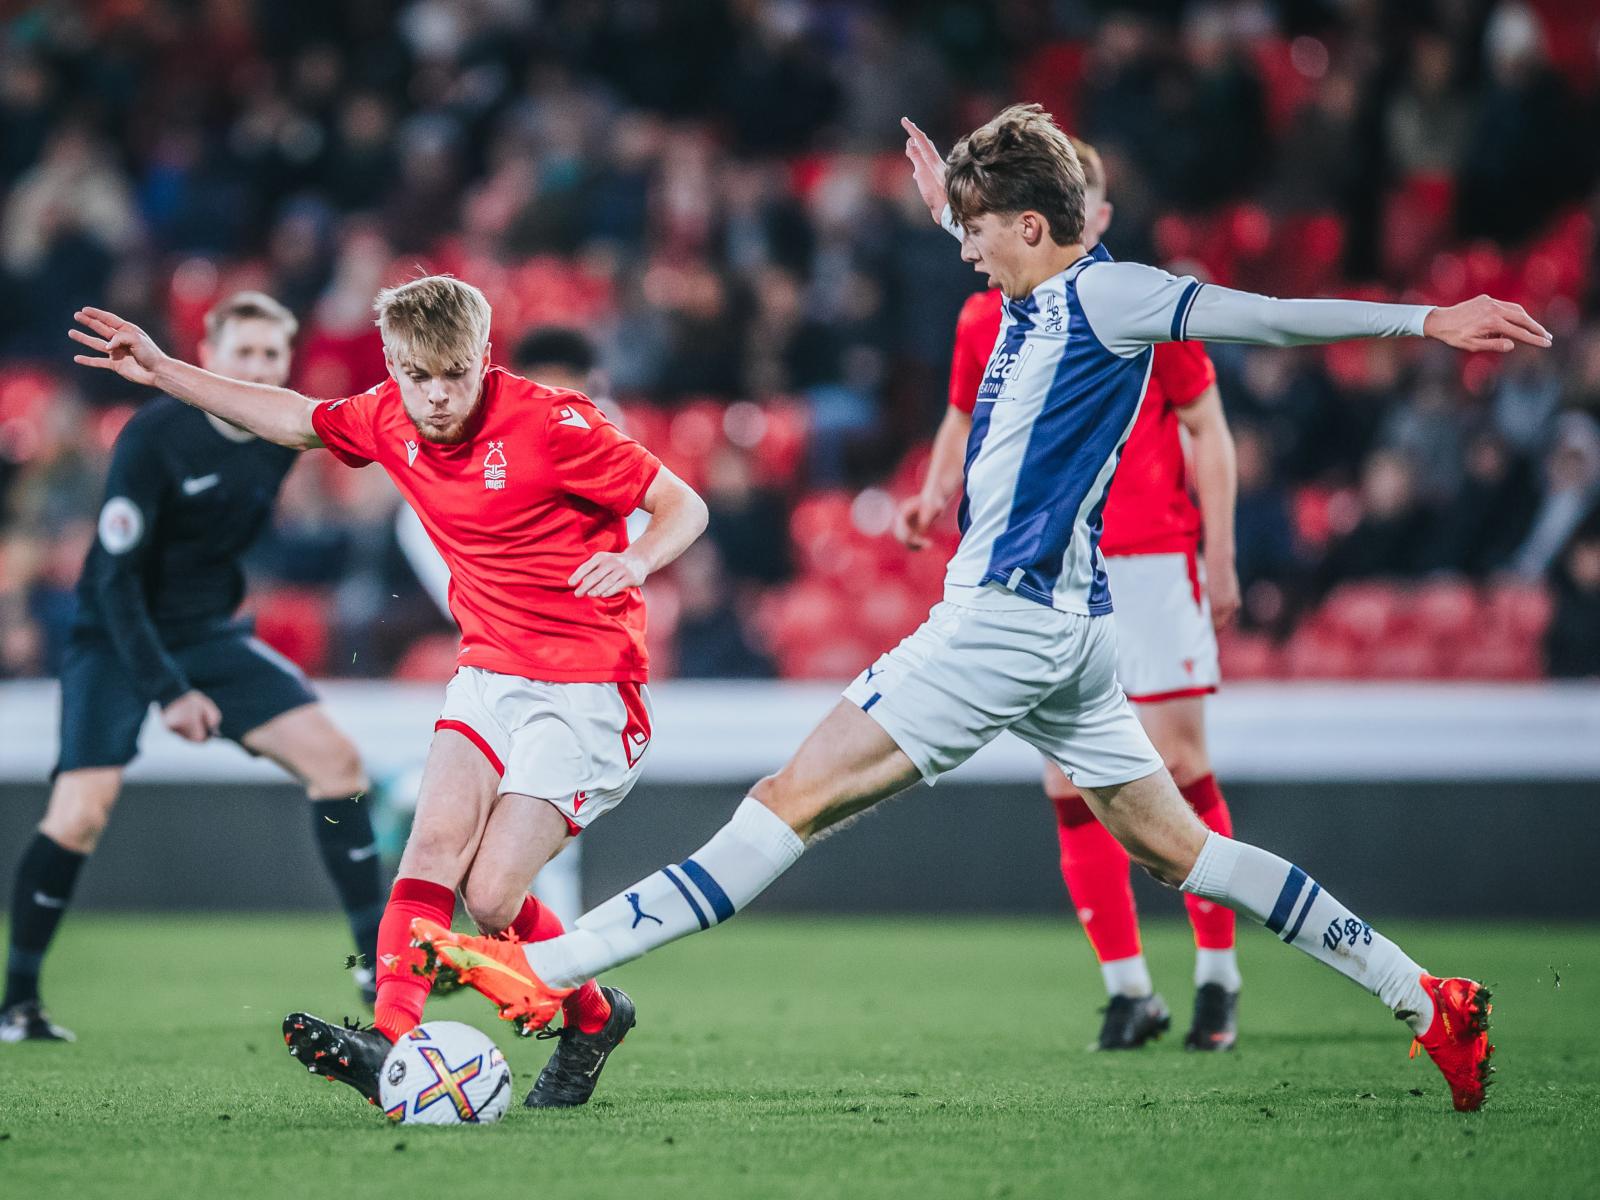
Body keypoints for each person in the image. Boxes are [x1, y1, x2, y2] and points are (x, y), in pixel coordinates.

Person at [409, 107, 1549, 1113]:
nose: (963, 248)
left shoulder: (1109, 293)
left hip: (1004, 623)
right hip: (1069, 634)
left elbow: (1266, 313)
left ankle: (548, 973)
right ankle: (1429, 999)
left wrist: (1424, 321)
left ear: (1034, 228)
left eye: (976, 229)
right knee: (1187, 853)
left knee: (783, 804)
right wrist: (941, 198)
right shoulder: (1032, 289)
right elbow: (998, 247)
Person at [68, 275, 708, 1109]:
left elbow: (680, 504)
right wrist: (161, 369)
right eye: (417, 377)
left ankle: (591, 1017)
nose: (435, 396)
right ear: (394, 368)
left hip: (587, 690)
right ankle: (393, 1037)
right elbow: (292, 416)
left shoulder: (555, 423)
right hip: (488, 676)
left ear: (483, 358)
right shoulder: (386, 416)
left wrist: (636, 558)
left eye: (453, 374)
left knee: (490, 899)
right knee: (431, 848)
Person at [894, 137, 1245, 1051]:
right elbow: (965, 418)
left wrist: (1222, 555)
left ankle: (1217, 974)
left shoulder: (1137, 306)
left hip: (1154, 554)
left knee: (1176, 764)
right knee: (1070, 779)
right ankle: (1130, 988)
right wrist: (937, 490)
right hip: (1051, 573)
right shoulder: (990, 317)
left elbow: (1207, 430)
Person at [3, 293, 384, 1043]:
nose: (260, 368)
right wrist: (170, 692)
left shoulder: (281, 431)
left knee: (337, 764)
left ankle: (376, 960)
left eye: (273, 356)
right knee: (79, 814)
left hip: (207, 633)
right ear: (206, 355)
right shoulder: (153, 438)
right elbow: (113, 580)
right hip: (116, 635)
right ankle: (18, 1001)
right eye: (244, 353)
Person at [391, 325, 611, 926]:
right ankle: (541, 966)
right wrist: (483, 605)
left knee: (540, 838)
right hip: (497, 661)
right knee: (475, 838)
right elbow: (417, 521)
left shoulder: (605, 447)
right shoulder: (478, 435)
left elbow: (647, 536)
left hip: (580, 668)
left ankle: (554, 968)